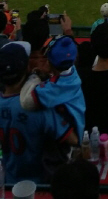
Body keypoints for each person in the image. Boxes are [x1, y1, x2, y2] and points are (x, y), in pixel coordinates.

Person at [0, 43, 75, 187]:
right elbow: (72, 139)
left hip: (8, 183)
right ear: (27, 68)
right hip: (41, 186)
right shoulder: (39, 106)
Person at [20, 34, 86, 141]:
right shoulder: (72, 72)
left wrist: (35, 76)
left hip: (64, 149)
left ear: (49, 61)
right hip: (77, 131)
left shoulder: (53, 88)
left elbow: (25, 102)